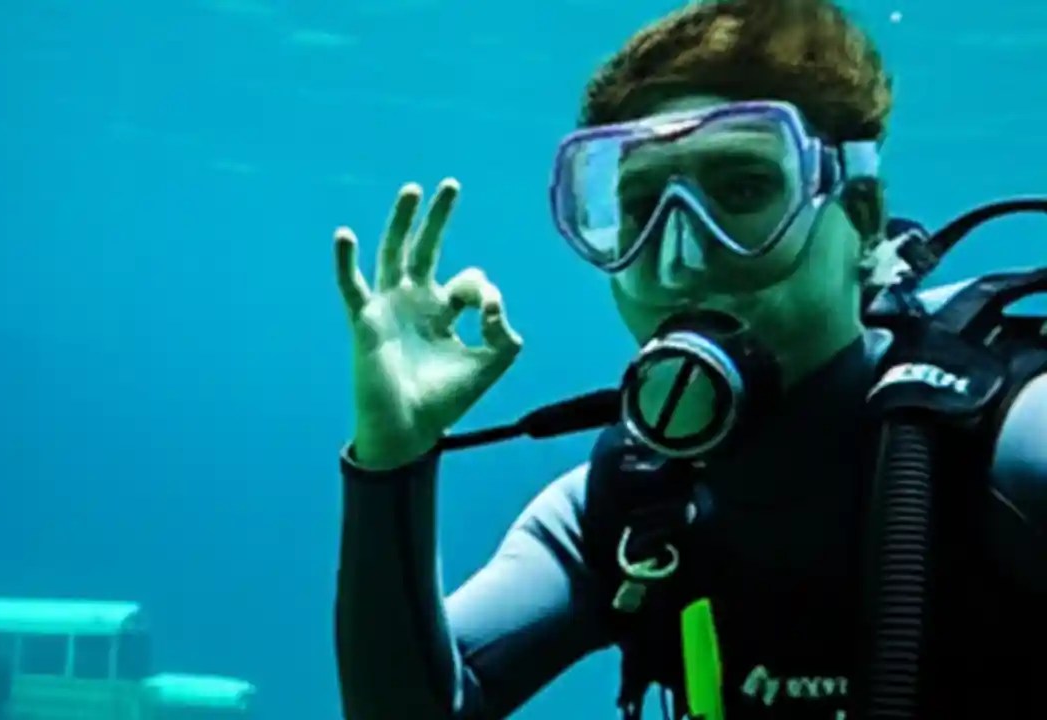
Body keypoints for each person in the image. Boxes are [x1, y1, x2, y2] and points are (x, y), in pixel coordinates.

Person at [330, 0, 1047, 718]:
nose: (681, 261)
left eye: (742, 191)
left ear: (859, 219)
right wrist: (391, 459)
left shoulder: (1010, 445)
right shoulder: (624, 502)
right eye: (642, 207)